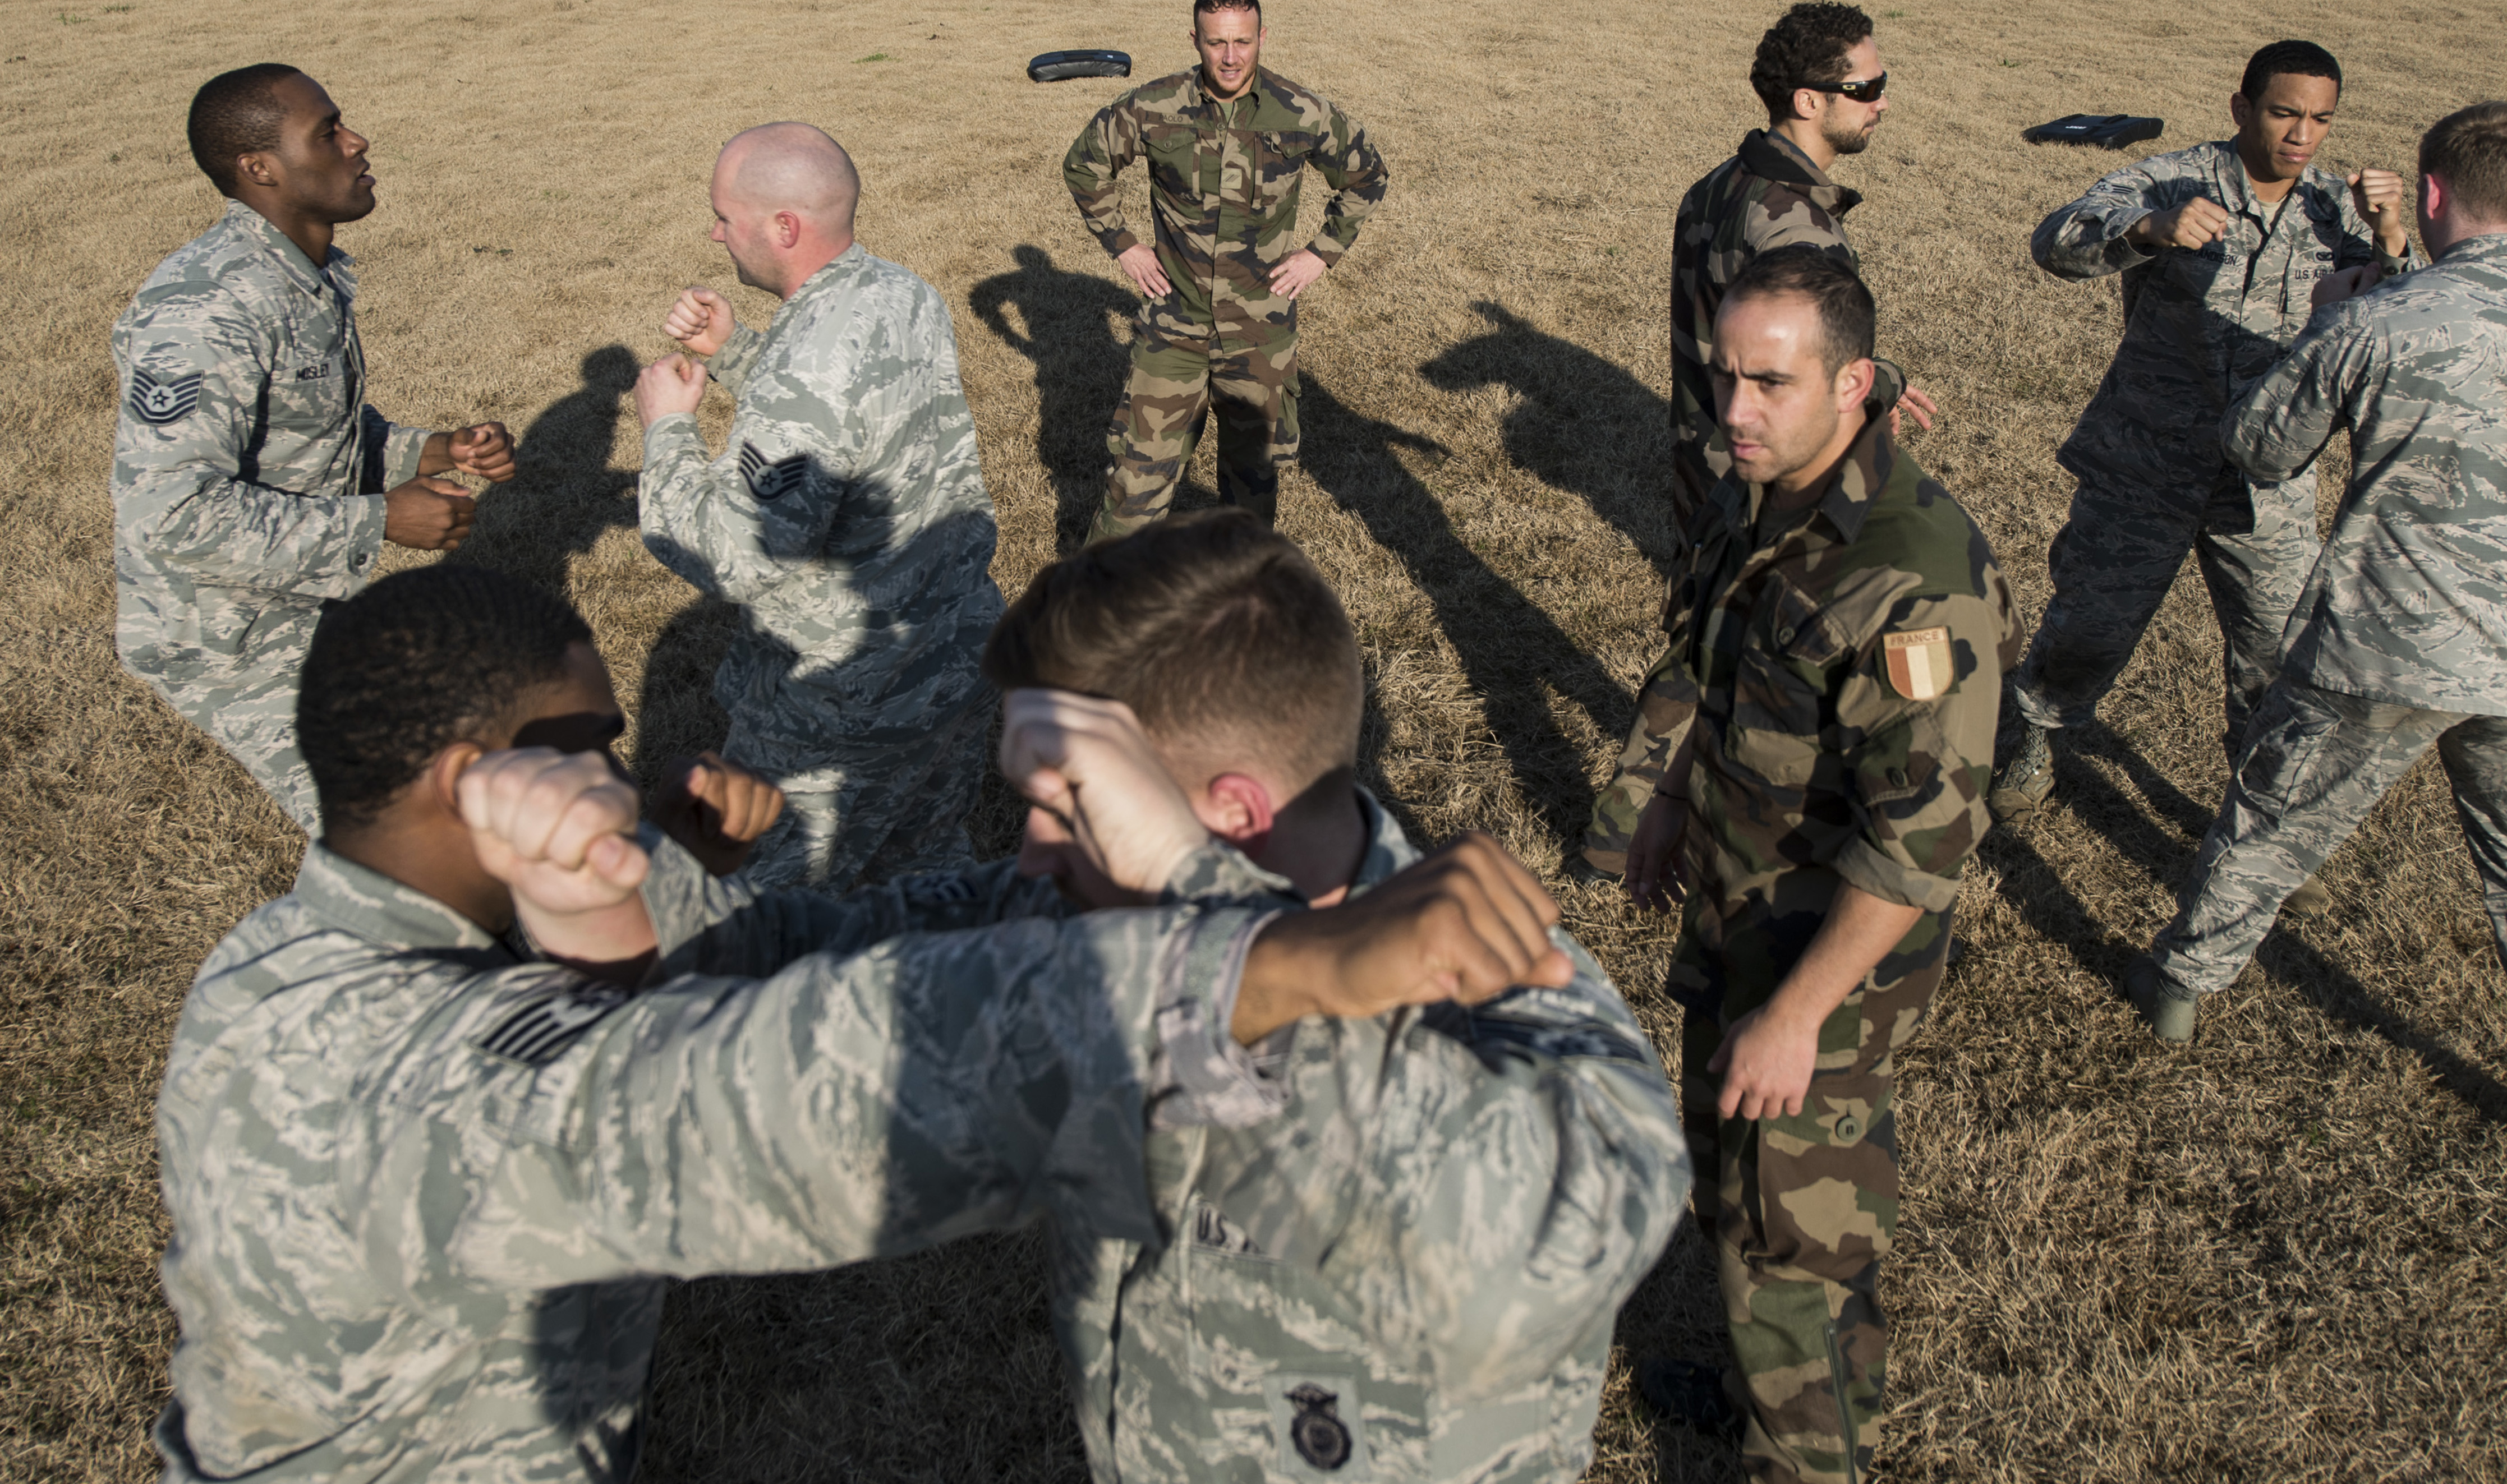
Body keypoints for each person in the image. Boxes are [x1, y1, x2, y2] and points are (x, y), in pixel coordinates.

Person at [155, 564, 1568, 1483]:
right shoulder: (361, 1065)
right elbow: (816, 1087)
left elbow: (790, 966)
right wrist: (1273, 965)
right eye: (593, 750)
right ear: (486, 780)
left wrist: (673, 881)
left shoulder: (330, 948)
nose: (634, 773)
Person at [864, 508, 1686, 1482]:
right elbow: (851, 957)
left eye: (1067, 809)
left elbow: (1513, 1265)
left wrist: (1196, 892)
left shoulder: (1514, 1005)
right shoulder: (1095, 910)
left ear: (1228, 819)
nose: (1029, 854)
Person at [2122, 103, 2507, 1196]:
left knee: (2269, 824)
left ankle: (2175, 996)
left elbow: (2261, 449)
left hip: (2381, 646)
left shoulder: (2380, 324)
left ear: (2434, 193)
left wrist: (2323, 323)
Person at [1583, 251, 2024, 1483]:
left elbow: (1919, 841)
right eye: (1725, 376)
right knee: (1740, 1203)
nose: (1734, 410)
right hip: (1741, 905)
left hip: (1824, 958)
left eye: (1769, 382)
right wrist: (1663, 792)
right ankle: (1754, 1390)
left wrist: (1797, 1012)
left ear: (1856, 383)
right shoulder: (1765, 487)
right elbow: (1708, 649)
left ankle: (1809, 1450)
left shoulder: (1915, 575)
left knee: (1791, 1250)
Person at [1991, 40, 2411, 897]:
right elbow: (2055, 243)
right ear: (2241, 108)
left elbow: (2407, 324)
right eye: (2284, 113)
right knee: (2089, 628)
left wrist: (2395, 238)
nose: (2302, 135)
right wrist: (2144, 229)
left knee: (2274, 663)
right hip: (2147, 458)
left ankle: (2257, 813)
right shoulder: (2173, 181)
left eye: (2321, 119)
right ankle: (2035, 736)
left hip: (2268, 483)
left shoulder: (2340, 213)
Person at [109, 63, 517, 831]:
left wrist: (433, 450)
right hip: (225, 627)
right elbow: (172, 515)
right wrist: (380, 522)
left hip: (300, 598)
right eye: (326, 132)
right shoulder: (207, 308)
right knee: (398, 828)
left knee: (450, 797)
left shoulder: (302, 275)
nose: (357, 142)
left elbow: (305, 437)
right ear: (259, 168)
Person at [643, 121, 1005, 888]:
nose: (715, 234)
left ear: (783, 227)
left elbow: (733, 555)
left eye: (724, 217)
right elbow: (852, 423)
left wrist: (668, 430)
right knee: (925, 883)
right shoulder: (901, 291)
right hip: (948, 663)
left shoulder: (814, 355)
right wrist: (736, 350)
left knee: (765, 916)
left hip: (843, 708)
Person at [1061, 0, 1388, 541]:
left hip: (1260, 333)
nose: (1230, 57)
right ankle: (1098, 610)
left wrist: (1320, 253)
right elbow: (1084, 165)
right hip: (1174, 330)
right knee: (1135, 485)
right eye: (1216, 43)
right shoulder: (1153, 106)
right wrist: (1124, 244)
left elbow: (1366, 175)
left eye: (1242, 42)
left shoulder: (1302, 112)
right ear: (1195, 39)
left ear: (1262, 37)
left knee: (1249, 490)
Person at [1670, 0, 1934, 560]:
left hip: (1702, 465)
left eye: (1880, 83)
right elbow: (1810, 388)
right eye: (1865, 90)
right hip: (1764, 484)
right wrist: (1881, 379)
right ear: (1808, 101)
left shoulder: (1719, 183)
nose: (1881, 102)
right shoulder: (1804, 237)